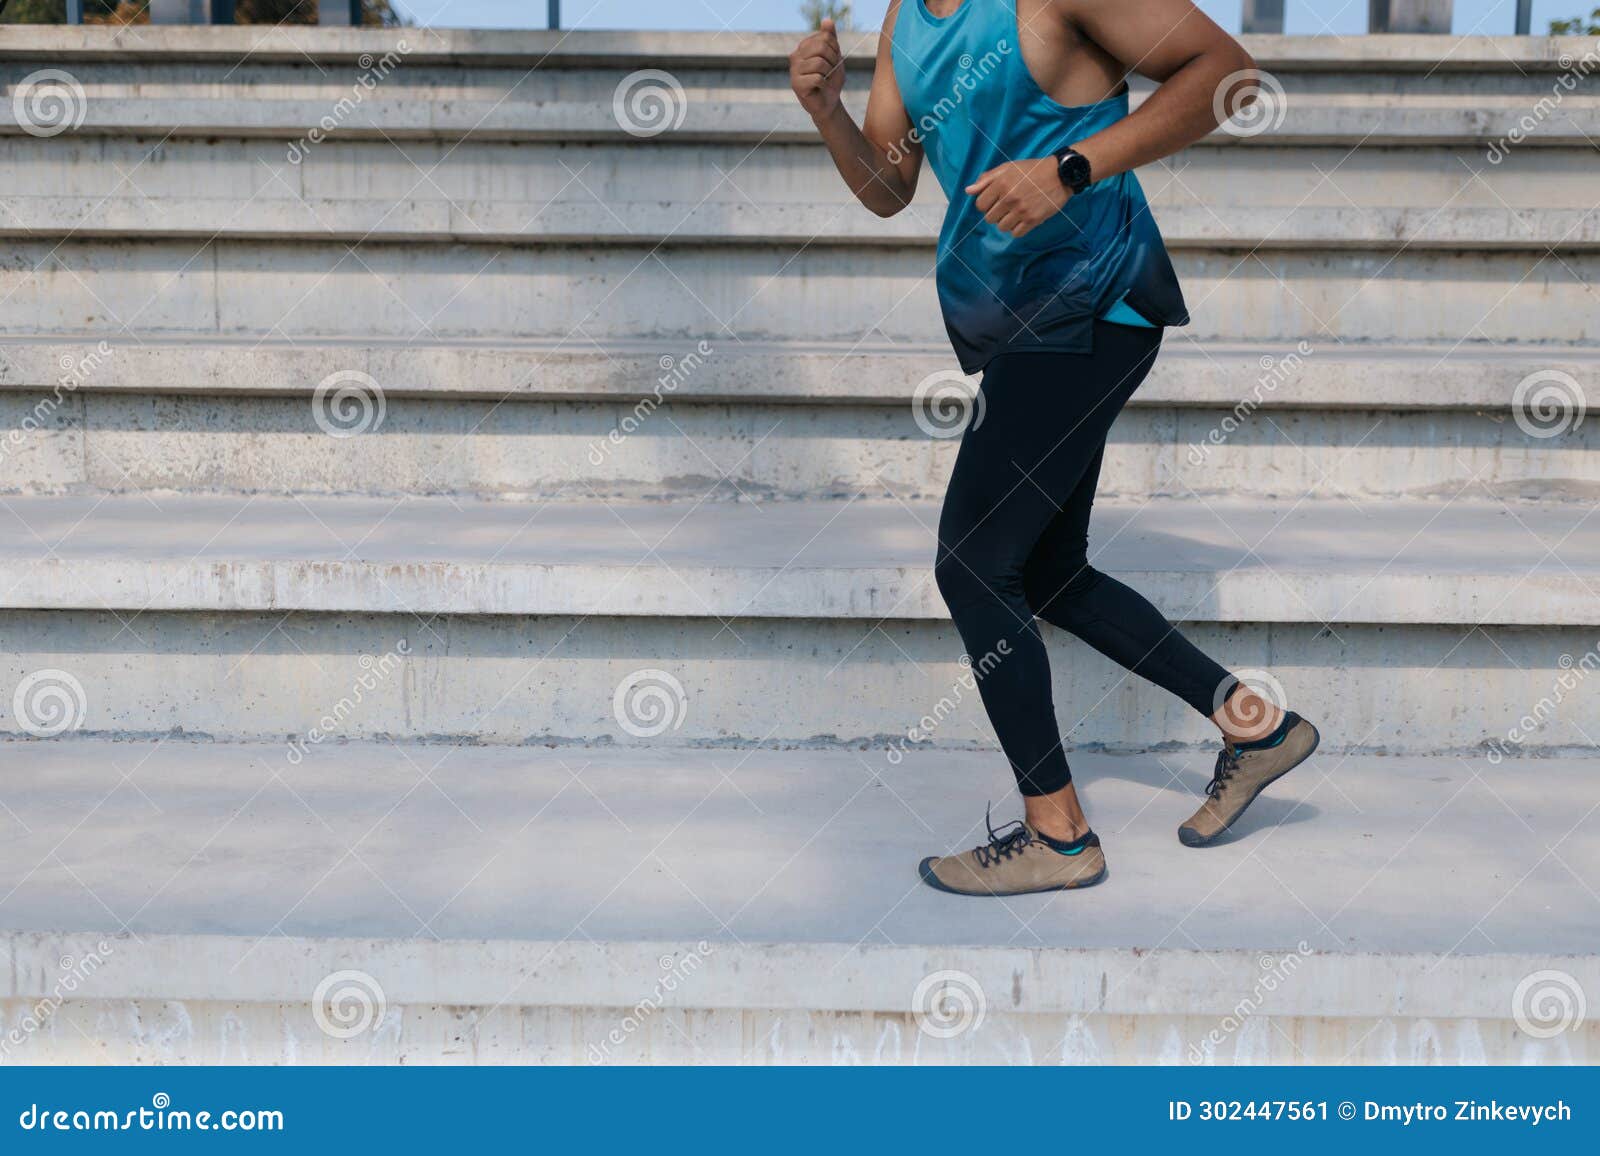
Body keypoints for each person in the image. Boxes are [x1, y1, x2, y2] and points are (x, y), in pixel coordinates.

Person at [788, 0, 1320, 896]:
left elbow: (1228, 74)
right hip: (1017, 324)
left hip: (1091, 302)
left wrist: (1071, 169)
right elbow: (889, 185)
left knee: (972, 565)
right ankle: (1255, 726)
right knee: (1046, 571)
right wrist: (828, 112)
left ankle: (1060, 837)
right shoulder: (904, 18)